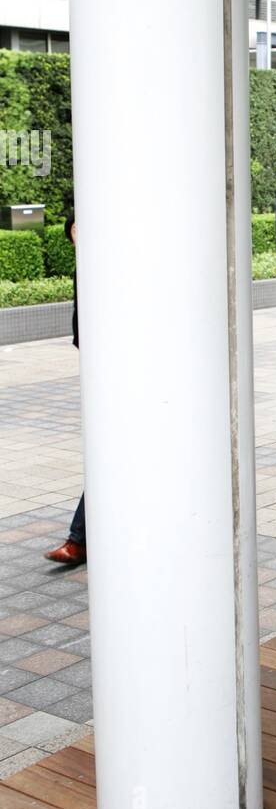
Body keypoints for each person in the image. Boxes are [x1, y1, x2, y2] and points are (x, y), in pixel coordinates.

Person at [45, 213, 87, 567]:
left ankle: (79, 540)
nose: (78, 235)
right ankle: (79, 540)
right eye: (74, 230)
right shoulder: (85, 267)